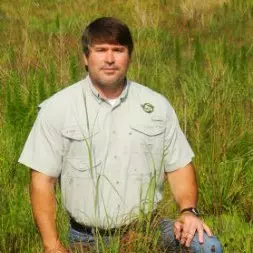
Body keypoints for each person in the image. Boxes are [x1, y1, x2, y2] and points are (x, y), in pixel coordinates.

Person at [19, 17, 222, 253]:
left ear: (129, 57)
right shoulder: (58, 108)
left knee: (206, 246)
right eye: (101, 50)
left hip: (148, 229)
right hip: (86, 238)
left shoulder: (156, 106)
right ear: (86, 57)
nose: (109, 58)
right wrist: (51, 244)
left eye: (118, 50)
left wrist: (188, 211)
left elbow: (178, 167)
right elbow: (42, 180)